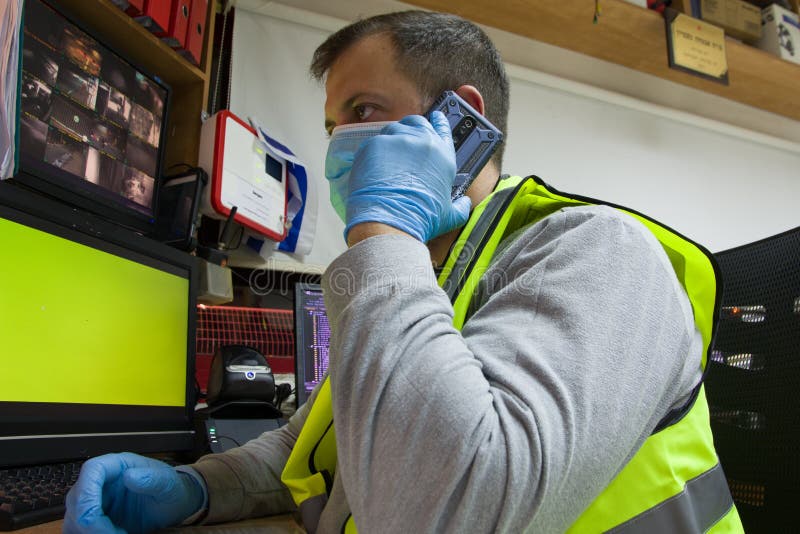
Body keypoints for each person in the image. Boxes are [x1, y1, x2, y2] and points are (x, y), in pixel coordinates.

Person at [64, 10, 743, 534]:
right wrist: (199, 487)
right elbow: (318, 449)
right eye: (333, 126)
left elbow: (444, 510)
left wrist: (385, 228)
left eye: (363, 112)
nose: (338, 148)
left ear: (457, 123)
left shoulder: (601, 255)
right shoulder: (428, 284)